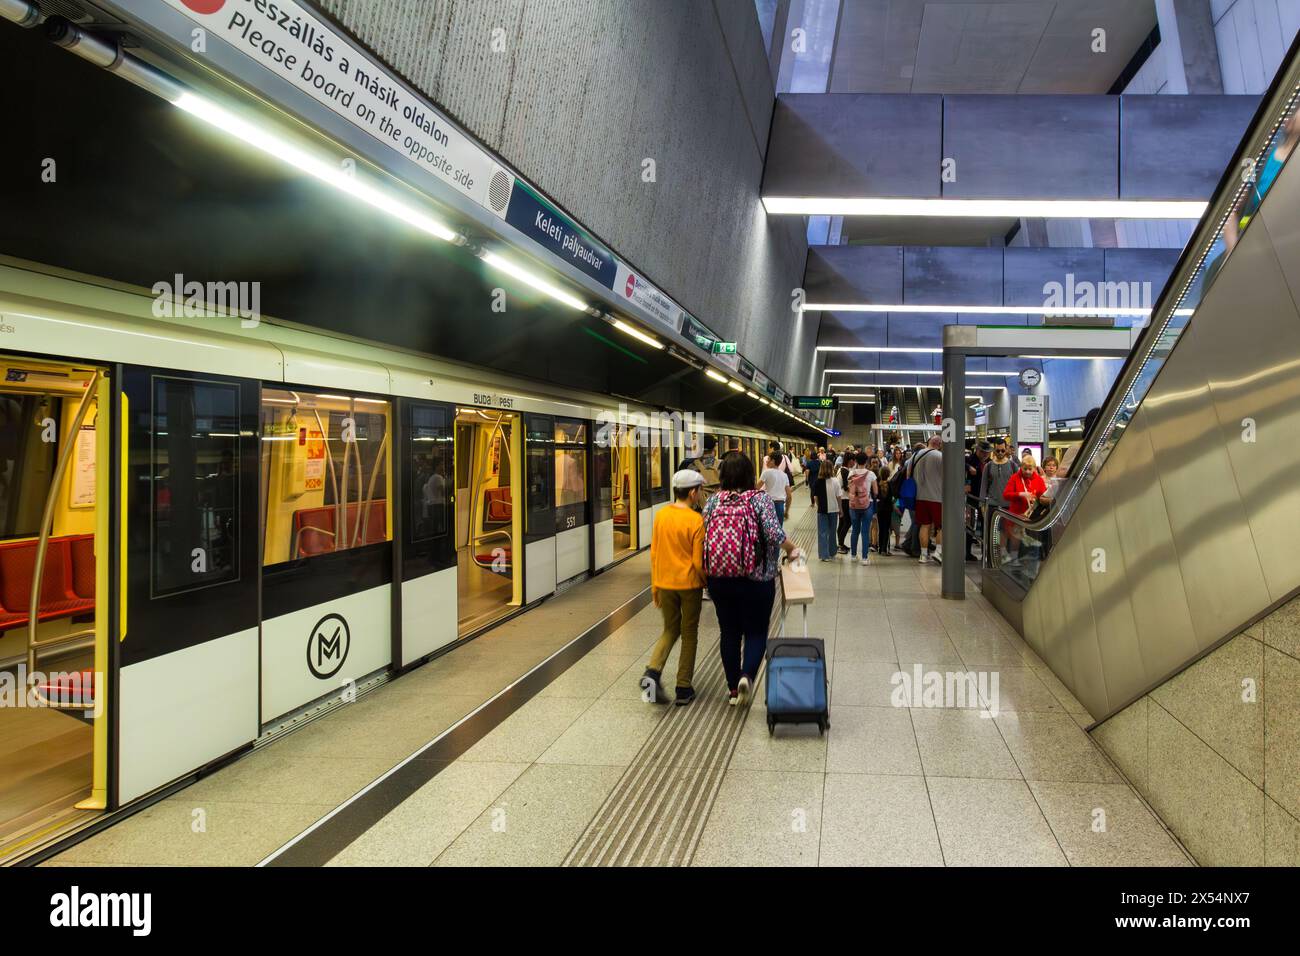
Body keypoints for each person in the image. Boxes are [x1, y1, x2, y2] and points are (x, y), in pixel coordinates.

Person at [702, 453, 801, 706]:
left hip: (720, 578)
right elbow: (773, 532)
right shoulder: (759, 499)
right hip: (757, 578)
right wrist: (790, 549)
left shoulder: (713, 501)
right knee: (756, 632)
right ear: (749, 475)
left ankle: (733, 689)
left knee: (729, 632)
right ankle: (747, 675)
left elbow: (703, 533)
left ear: (723, 476)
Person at [641, 470, 707, 706]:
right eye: (700, 490)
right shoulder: (695, 520)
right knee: (689, 633)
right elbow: (698, 562)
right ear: (692, 492)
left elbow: (655, 553)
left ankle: (652, 672)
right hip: (689, 585)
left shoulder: (661, 516)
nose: (701, 495)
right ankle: (683, 687)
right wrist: (706, 582)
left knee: (670, 629)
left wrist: (655, 586)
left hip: (664, 582)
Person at [1002, 454, 1047, 564]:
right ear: (1021, 467)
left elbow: (1043, 495)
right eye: (1025, 469)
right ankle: (1014, 559)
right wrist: (1020, 494)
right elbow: (1006, 495)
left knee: (1030, 541)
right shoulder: (1015, 478)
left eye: (1030, 469)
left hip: (1032, 516)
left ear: (1034, 468)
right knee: (1015, 540)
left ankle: (1028, 561)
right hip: (1016, 514)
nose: (1027, 471)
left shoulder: (1039, 480)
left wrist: (1040, 499)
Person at [910, 435, 944, 564]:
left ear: (929, 442)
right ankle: (938, 552)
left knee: (924, 526)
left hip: (920, 496)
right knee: (941, 526)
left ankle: (923, 555)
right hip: (937, 497)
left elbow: (908, 475)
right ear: (939, 444)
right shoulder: (940, 456)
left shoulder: (915, 456)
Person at [846, 451, 877, 565]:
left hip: (853, 506)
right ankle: (864, 558)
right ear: (866, 461)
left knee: (855, 530)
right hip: (867, 504)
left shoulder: (851, 473)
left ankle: (853, 556)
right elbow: (876, 491)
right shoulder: (871, 474)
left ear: (856, 461)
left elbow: (850, 489)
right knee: (865, 531)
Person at [811, 460, 840, 561]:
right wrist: (841, 509)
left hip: (822, 510)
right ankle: (832, 552)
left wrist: (819, 506)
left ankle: (824, 555)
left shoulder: (817, 481)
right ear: (832, 469)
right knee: (832, 532)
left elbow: (815, 498)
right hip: (834, 509)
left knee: (823, 532)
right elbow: (838, 497)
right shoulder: (835, 480)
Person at [758, 452, 792, 523]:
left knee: (767, 529)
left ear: (773, 461)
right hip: (780, 506)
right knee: (778, 530)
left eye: (768, 459)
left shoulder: (766, 472)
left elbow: (756, 488)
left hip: (768, 505)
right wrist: (786, 511)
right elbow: (789, 496)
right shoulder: (784, 475)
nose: (766, 461)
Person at [875, 452, 896, 555]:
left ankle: (879, 548)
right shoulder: (890, 484)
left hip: (879, 509)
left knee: (881, 528)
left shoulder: (877, 485)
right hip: (888, 509)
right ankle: (885, 549)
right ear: (888, 474)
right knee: (887, 529)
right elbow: (892, 497)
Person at [836, 454, 852, 553]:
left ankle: (840, 544)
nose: (854, 462)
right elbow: (847, 487)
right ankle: (840, 545)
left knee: (842, 522)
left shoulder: (840, 469)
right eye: (853, 460)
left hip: (841, 498)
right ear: (850, 461)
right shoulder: (845, 471)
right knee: (848, 522)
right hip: (845, 499)